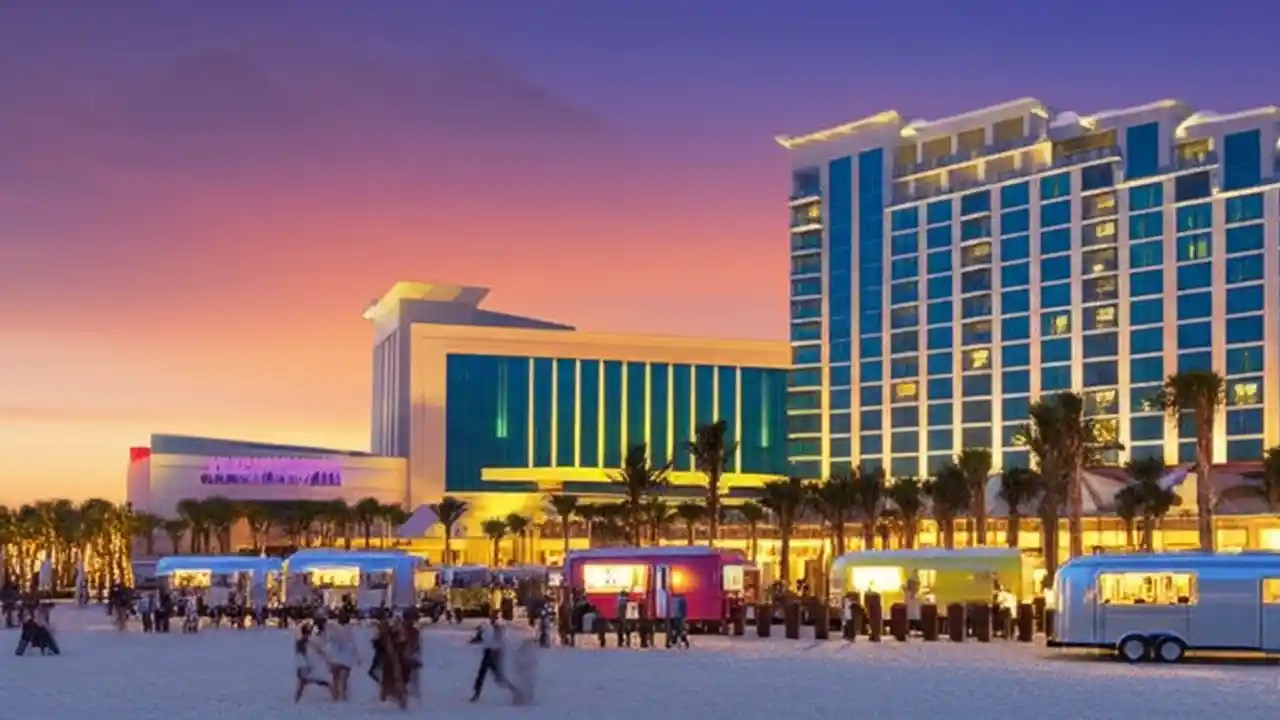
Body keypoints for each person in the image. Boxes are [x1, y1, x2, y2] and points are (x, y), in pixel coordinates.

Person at [469, 616, 508, 702]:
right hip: (489, 653)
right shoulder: (489, 628)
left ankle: (516, 692)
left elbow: (498, 643)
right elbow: (482, 638)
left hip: (492, 654)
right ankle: (476, 693)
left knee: (491, 676)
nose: (492, 620)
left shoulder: (497, 630)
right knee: (485, 674)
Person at [324, 614, 360, 702]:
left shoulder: (333, 628)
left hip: (335, 658)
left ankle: (336, 697)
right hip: (344, 659)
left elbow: (329, 641)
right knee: (342, 680)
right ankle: (342, 697)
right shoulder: (350, 630)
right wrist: (357, 657)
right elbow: (353, 645)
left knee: (336, 679)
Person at [293, 623, 331, 704]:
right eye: (308, 633)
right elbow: (302, 655)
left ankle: (296, 699)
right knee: (304, 683)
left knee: (304, 683)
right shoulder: (302, 643)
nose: (308, 635)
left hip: (306, 668)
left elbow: (319, 650)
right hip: (304, 668)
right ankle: (296, 699)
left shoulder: (307, 642)